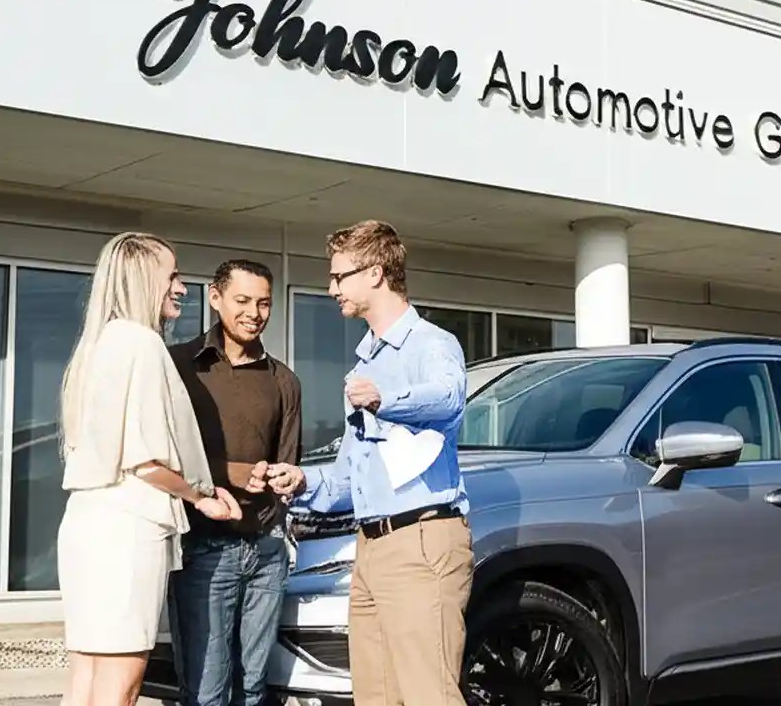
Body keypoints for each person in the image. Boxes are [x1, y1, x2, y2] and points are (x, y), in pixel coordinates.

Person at [277, 219, 472, 706]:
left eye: (339, 276)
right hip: (370, 549)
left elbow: (449, 399)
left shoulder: (432, 344)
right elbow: (350, 477)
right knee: (375, 698)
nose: (331, 288)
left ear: (376, 273)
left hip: (421, 542)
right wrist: (302, 482)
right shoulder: (365, 364)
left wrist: (387, 398)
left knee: (430, 696)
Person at [56, 231, 242, 706]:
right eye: (172, 275)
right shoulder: (141, 343)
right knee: (121, 686)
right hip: (127, 532)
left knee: (85, 681)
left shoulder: (93, 346)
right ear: (143, 278)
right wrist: (204, 497)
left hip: (84, 525)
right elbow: (146, 463)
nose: (181, 286)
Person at [165, 259, 305, 706]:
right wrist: (232, 473)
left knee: (252, 688)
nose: (254, 312)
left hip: (266, 551)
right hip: (203, 550)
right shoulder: (179, 366)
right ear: (215, 297)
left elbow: (289, 461)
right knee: (207, 692)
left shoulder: (284, 381)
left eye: (263, 303)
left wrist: (286, 482)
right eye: (242, 300)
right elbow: (161, 456)